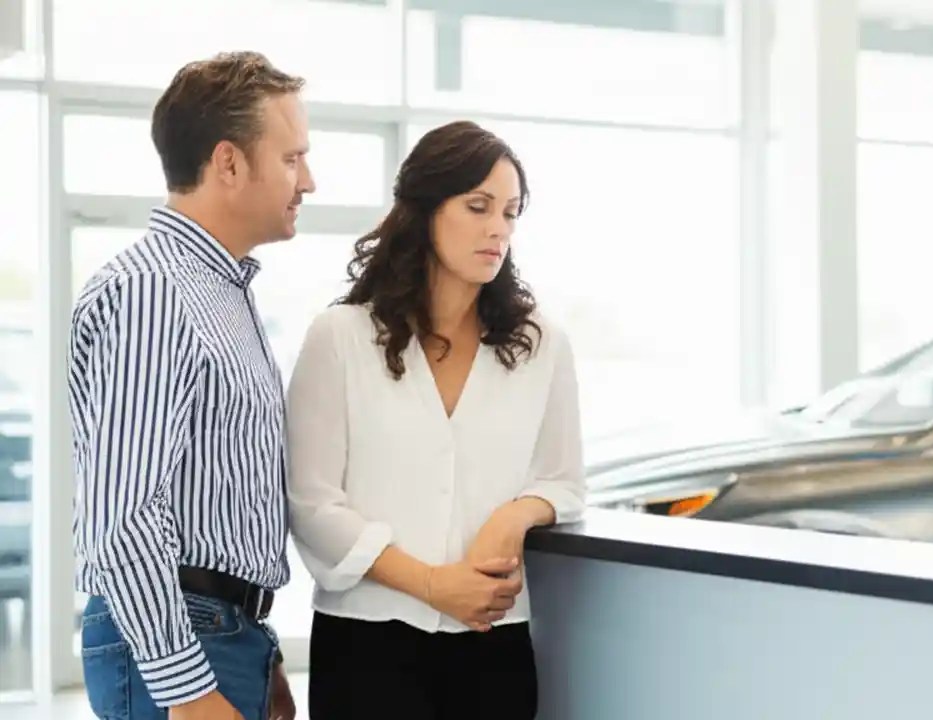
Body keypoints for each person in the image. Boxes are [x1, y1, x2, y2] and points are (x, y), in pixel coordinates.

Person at [285, 120, 585, 719]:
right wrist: (429, 583)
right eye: (478, 207)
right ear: (424, 210)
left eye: (510, 212)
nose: (497, 228)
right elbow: (312, 505)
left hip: (492, 644)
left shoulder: (539, 343)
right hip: (368, 644)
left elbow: (564, 481)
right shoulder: (341, 338)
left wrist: (516, 513)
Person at [70, 51, 314, 719]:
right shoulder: (155, 291)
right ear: (229, 163)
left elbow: (217, 498)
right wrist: (189, 691)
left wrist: (257, 647)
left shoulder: (218, 290)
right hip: (178, 645)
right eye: (292, 158)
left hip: (218, 632)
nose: (309, 180)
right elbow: (124, 516)